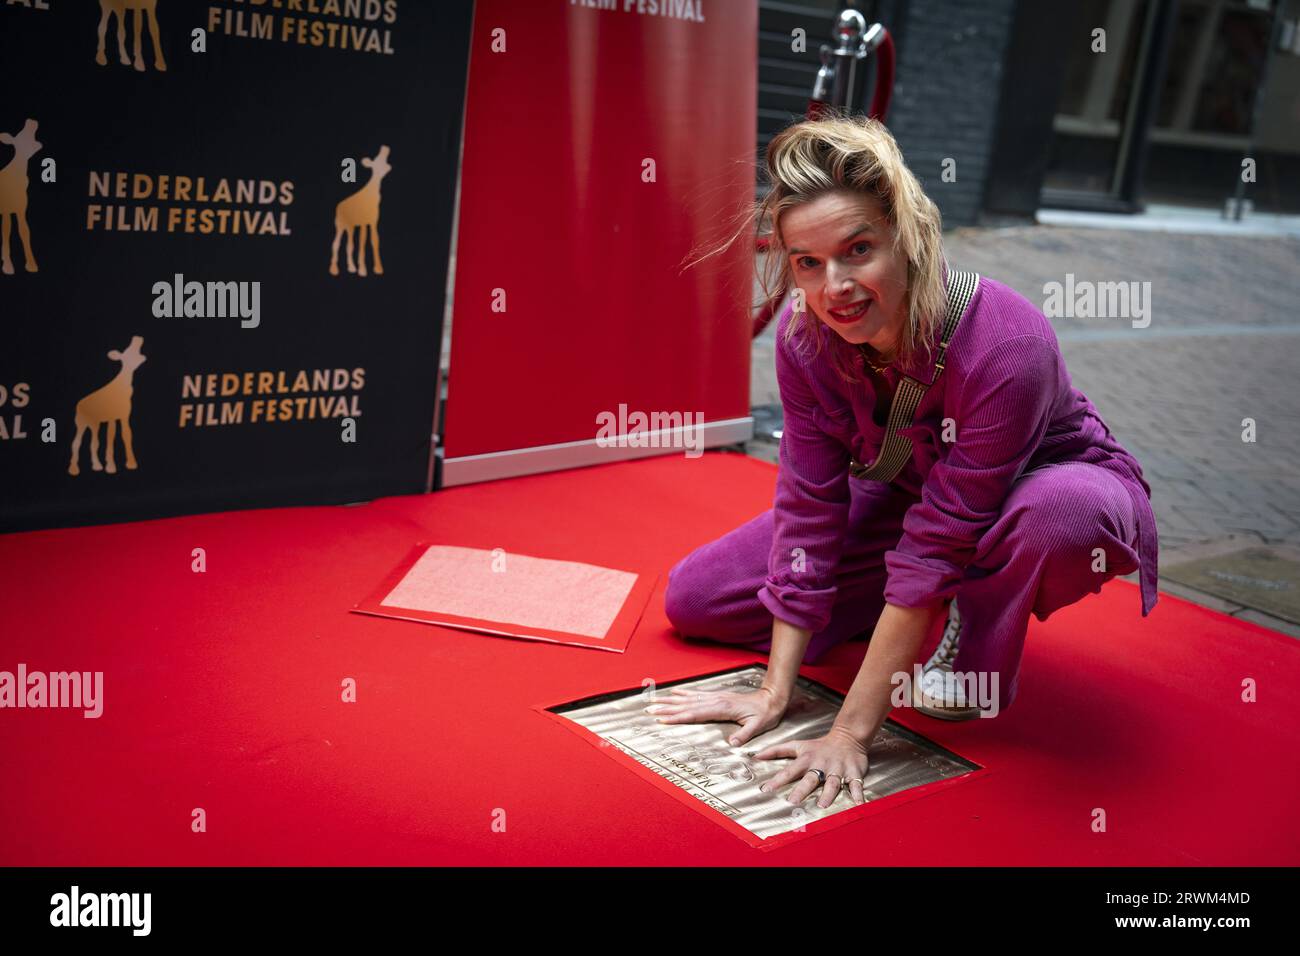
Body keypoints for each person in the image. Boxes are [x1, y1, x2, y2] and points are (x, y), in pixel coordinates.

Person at [659, 114, 1159, 810]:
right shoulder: (806, 341)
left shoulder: (1007, 344)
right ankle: (909, 612)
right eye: (808, 262)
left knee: (1055, 519)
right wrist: (774, 691)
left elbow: (941, 536)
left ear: (908, 235)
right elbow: (807, 507)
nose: (835, 286)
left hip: (1042, 486)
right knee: (697, 597)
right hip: (912, 495)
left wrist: (849, 732)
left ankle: (973, 622)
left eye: (858, 249)